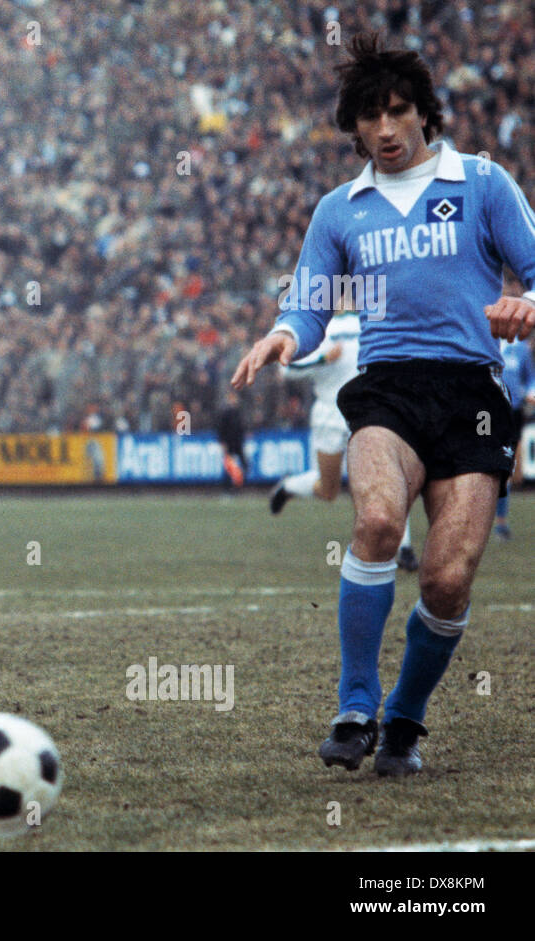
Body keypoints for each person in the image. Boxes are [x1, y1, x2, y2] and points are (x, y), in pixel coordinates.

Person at [232, 35, 535, 776]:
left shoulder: (482, 183)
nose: (386, 129)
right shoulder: (341, 209)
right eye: (370, 118)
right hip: (387, 388)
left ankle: (404, 718)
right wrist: (281, 336)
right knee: (372, 520)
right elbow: (308, 303)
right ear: (354, 127)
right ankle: (355, 703)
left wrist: (527, 305)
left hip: (472, 394)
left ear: (424, 113)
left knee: (447, 576)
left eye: (398, 111)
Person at [270, 310, 418, 571]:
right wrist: (324, 359)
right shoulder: (312, 328)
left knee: (386, 480)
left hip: (368, 411)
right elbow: (287, 370)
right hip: (329, 413)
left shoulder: (372, 320)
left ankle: (404, 548)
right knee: (329, 490)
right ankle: (289, 486)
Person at [492, 337, 535, 540]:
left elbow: (530, 378)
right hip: (486, 411)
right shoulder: (487, 338)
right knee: (483, 460)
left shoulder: (521, 349)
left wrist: (529, 392)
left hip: (513, 412)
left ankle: (501, 522)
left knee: (505, 466)